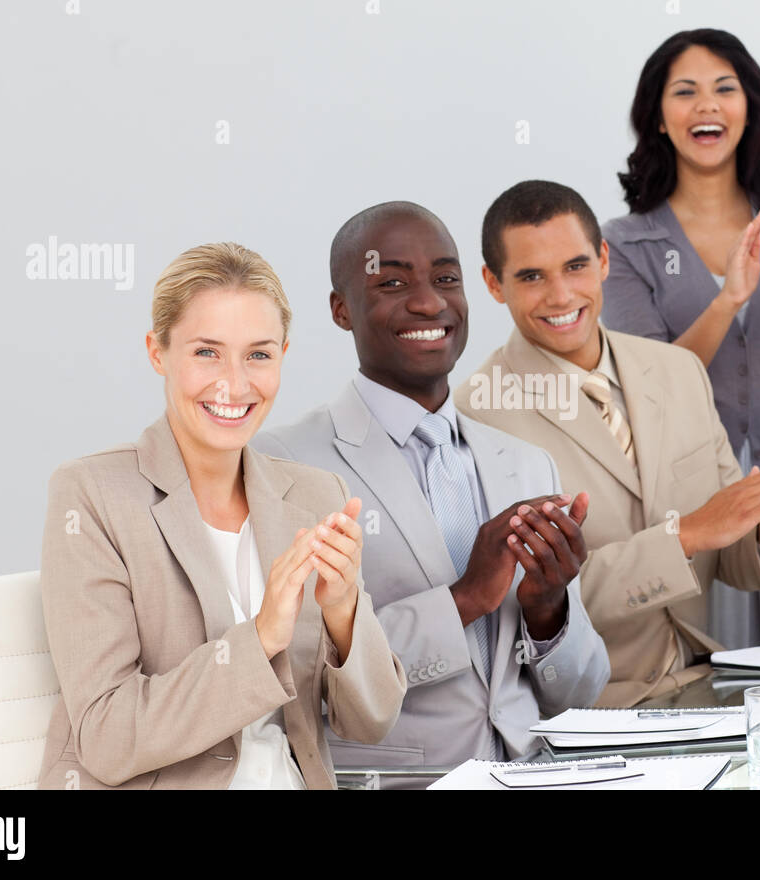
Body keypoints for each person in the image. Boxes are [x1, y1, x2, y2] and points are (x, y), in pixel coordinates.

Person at [455, 180, 760, 708]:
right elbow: (525, 602)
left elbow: (724, 547)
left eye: (575, 266)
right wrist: (683, 534)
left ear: (602, 259)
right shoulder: (477, 413)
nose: (561, 296)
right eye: (532, 276)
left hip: (707, 690)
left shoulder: (678, 370)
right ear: (493, 283)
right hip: (589, 711)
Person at [253, 202, 609, 773]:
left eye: (446, 278)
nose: (429, 301)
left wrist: (548, 612)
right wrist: (465, 598)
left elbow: (581, 692)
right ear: (341, 310)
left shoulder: (526, 464)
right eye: (392, 282)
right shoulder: (285, 463)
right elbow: (301, 679)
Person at [38, 242, 406, 790]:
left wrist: (344, 614)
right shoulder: (93, 494)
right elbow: (107, 738)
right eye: (207, 352)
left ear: (283, 354)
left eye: (258, 355)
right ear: (157, 352)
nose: (234, 384)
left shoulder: (314, 495)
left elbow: (370, 722)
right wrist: (259, 640)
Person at [601, 28, 760, 648]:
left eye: (723, 90)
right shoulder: (625, 243)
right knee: (706, 698)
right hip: (690, 514)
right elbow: (648, 388)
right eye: (684, 92)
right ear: (658, 118)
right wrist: (729, 298)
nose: (706, 105)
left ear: (749, 109)